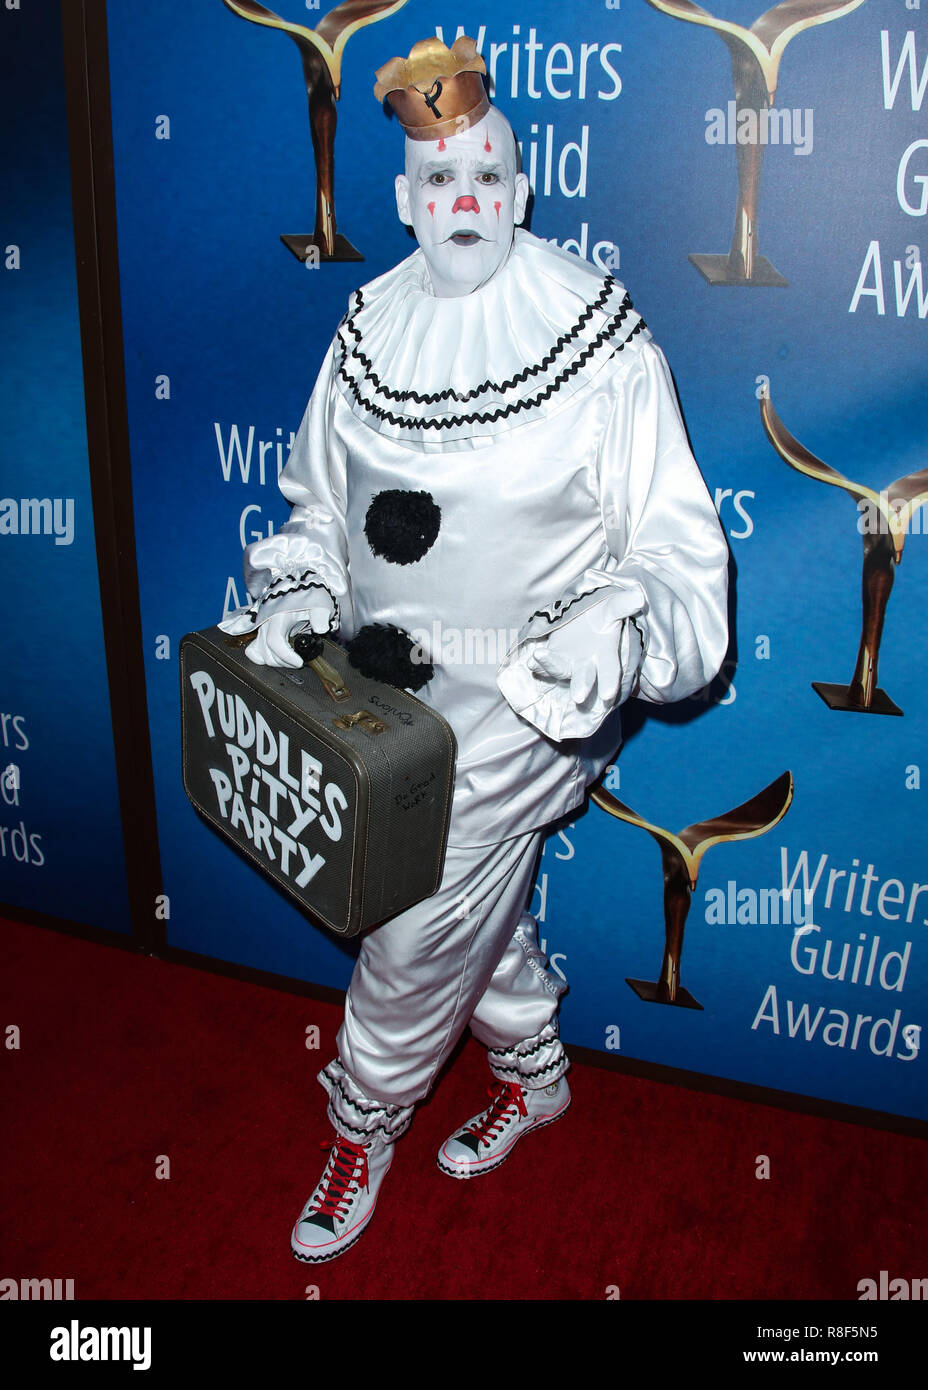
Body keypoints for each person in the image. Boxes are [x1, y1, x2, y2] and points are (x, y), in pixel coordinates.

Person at [219, 36, 730, 1263]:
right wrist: (295, 591)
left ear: (521, 187)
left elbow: (679, 561)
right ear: (401, 201)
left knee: (406, 940)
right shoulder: (365, 329)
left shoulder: (595, 341)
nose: (464, 204)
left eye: (486, 179)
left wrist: (619, 625)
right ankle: (538, 1072)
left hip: (511, 722)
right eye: (439, 183)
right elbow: (313, 512)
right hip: (367, 714)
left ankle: (362, 1119)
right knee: (466, 917)